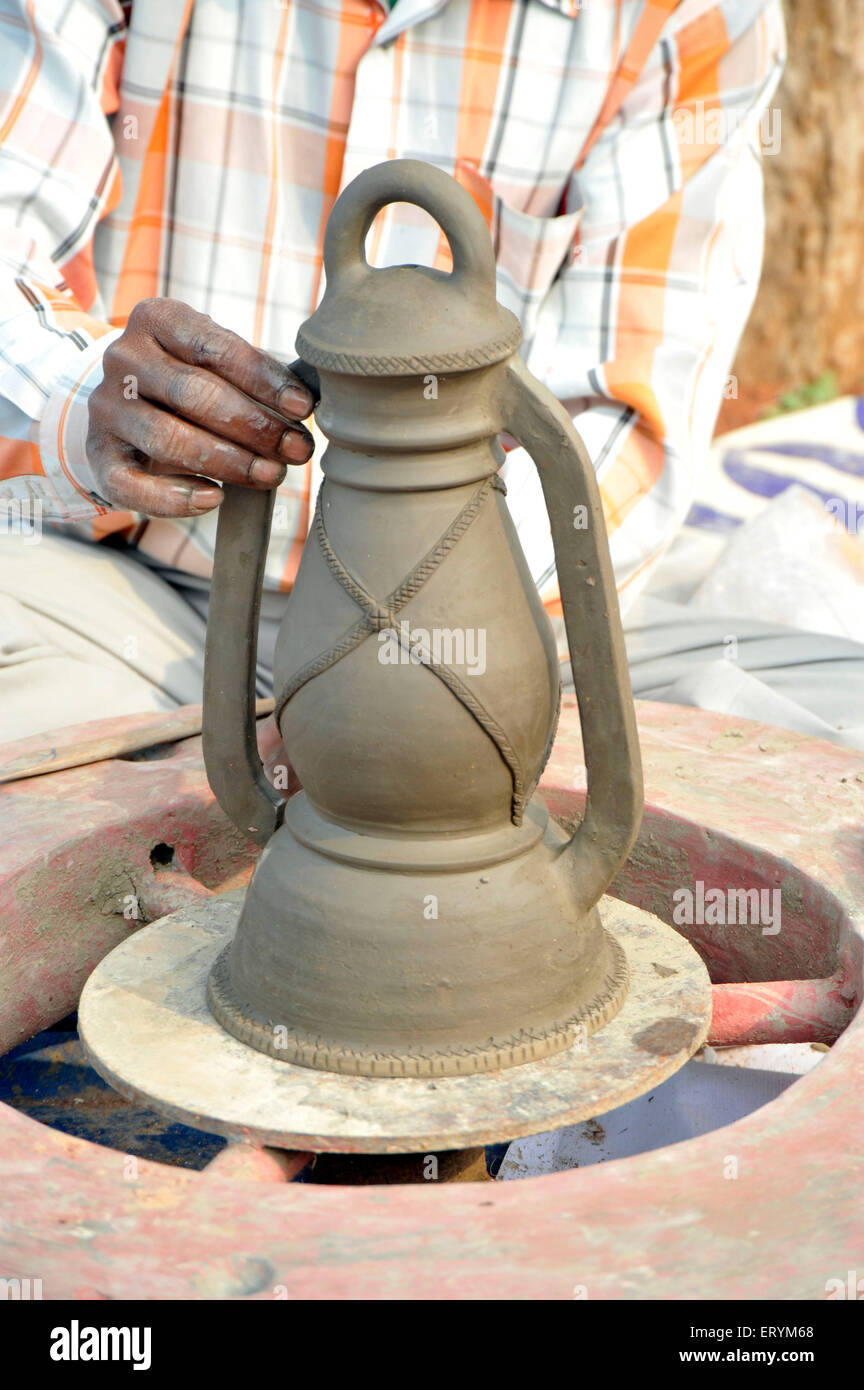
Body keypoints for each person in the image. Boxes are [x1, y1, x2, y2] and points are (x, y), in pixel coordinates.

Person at [0, 0, 787, 748]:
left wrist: (420, 636)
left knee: (811, 738)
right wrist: (91, 396)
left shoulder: (684, 16)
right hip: (136, 594)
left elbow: (630, 431)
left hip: (508, 629)